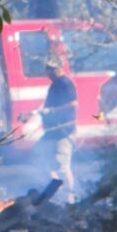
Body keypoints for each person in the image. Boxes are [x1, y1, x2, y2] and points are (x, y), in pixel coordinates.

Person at [40, 64, 78, 203]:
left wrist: (52, 111)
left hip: (63, 131)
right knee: (42, 158)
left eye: (49, 71)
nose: (47, 74)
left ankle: (69, 198)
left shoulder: (65, 84)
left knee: (61, 165)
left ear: (56, 69)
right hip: (52, 131)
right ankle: (57, 193)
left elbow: (73, 104)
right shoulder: (54, 84)